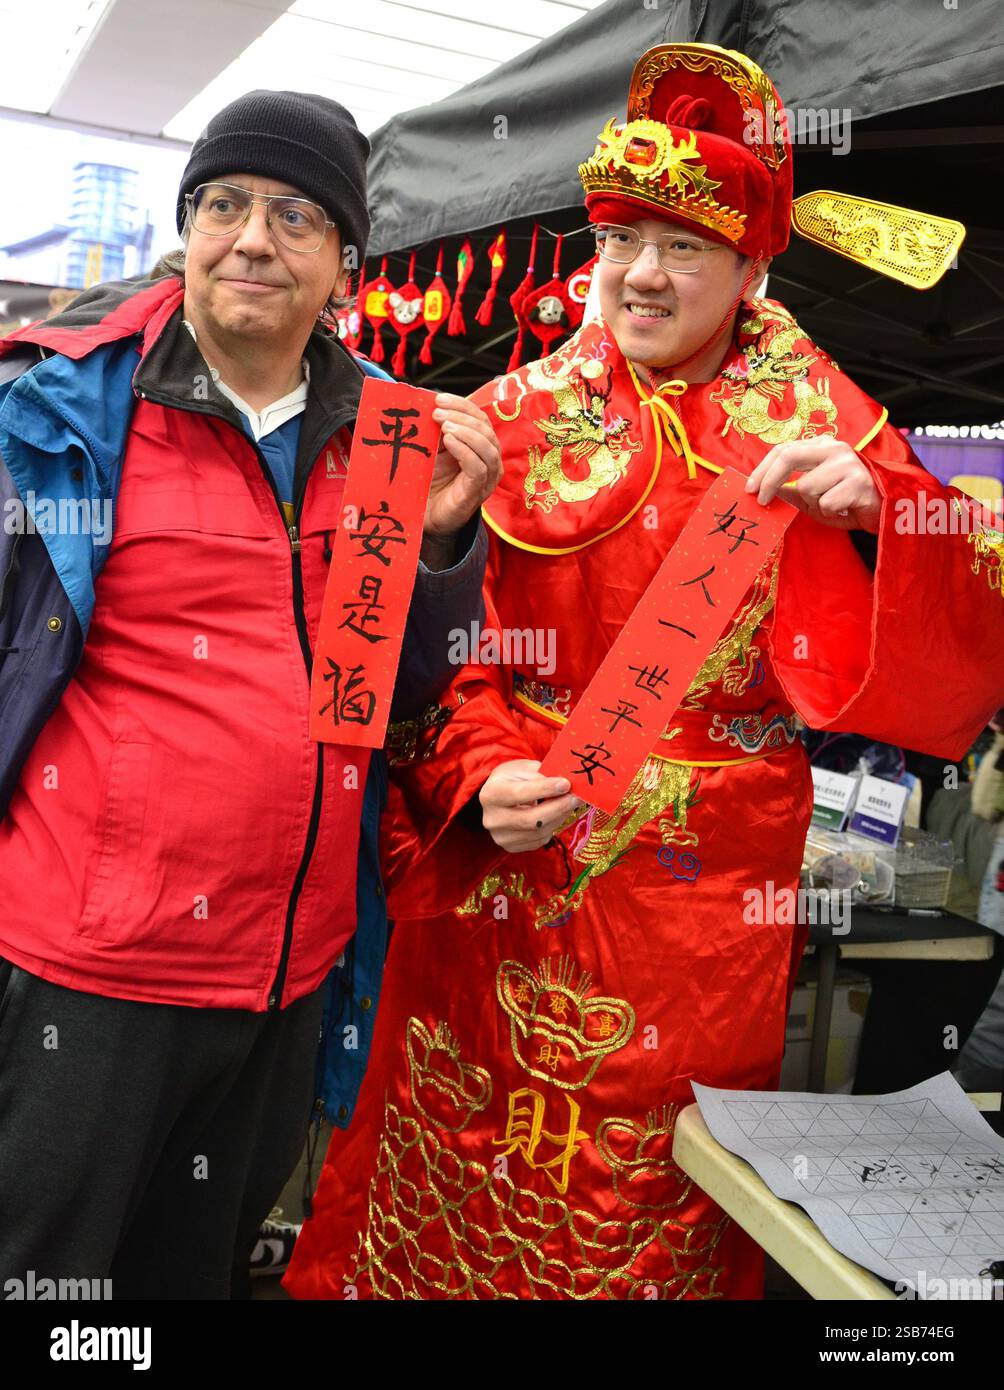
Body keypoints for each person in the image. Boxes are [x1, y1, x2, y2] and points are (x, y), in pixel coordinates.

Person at [284, 45, 1004, 1300]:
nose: (643, 274)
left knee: (650, 1185)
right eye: (622, 238)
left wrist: (890, 515)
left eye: (685, 245)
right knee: (460, 1152)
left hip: (705, 897)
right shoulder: (499, 416)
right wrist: (478, 769)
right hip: (511, 864)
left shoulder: (828, 422)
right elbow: (404, 652)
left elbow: (972, 604)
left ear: (752, 267)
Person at [0, 89, 501, 1299]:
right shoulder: (60, 413)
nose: (252, 239)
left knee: (195, 1277)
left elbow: (389, 691)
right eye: (223, 205)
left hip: (287, 973)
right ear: (189, 228)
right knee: (49, 1281)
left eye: (294, 214)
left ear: (345, 263)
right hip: (93, 969)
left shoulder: (385, 435)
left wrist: (440, 551)